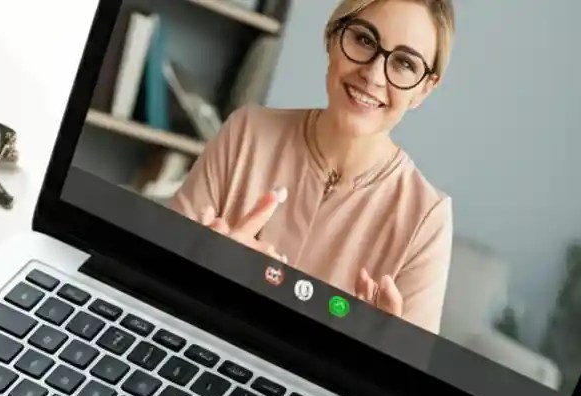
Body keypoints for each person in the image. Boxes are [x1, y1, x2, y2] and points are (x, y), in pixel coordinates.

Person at [170, 0, 456, 333]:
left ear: (424, 89)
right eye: (364, 40)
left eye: (405, 63)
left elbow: (403, 366)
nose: (373, 75)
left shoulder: (427, 218)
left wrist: (376, 350)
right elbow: (156, 271)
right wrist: (209, 268)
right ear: (333, 37)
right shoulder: (245, 132)